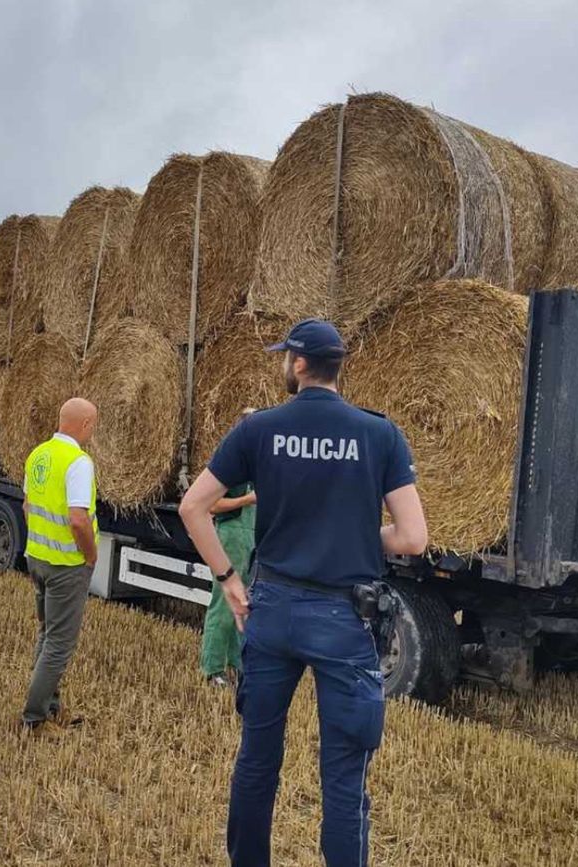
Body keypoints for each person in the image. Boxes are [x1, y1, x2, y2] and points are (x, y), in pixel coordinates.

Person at [179, 318, 427, 867]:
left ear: (296, 364)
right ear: (338, 366)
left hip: (272, 609)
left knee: (257, 760)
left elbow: (192, 507)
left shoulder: (258, 428)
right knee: (344, 777)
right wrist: (357, 538)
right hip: (344, 619)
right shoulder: (379, 434)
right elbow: (412, 537)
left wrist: (229, 579)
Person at [20, 397, 100, 733]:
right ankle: (35, 718)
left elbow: (27, 506)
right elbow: (78, 520)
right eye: (93, 425)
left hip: (37, 558)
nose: (93, 431)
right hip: (66, 564)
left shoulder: (38, 454)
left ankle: (49, 706)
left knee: (47, 634)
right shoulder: (78, 462)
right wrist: (91, 555)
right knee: (59, 644)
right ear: (84, 425)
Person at [202, 409, 258, 688]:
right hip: (231, 535)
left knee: (247, 605)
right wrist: (246, 500)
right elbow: (210, 505)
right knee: (223, 604)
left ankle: (238, 666)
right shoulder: (230, 462)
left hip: (253, 538)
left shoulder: (261, 464)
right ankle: (213, 669)